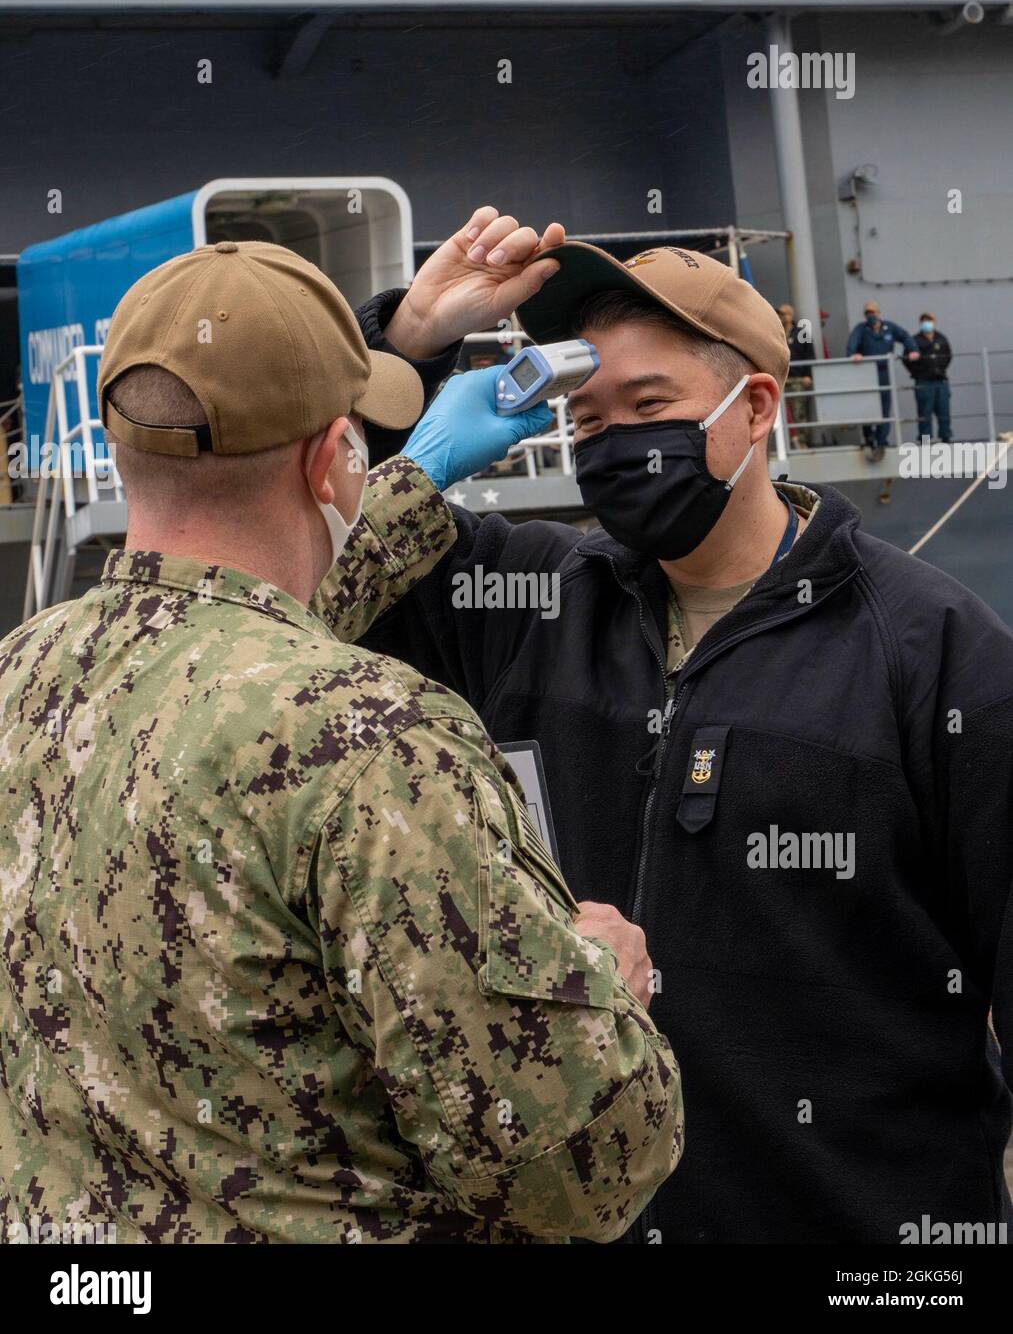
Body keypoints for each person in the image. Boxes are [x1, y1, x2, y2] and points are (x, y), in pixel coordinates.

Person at [334, 217, 1013, 1244]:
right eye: (587, 420)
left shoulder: (931, 652)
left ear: (755, 409)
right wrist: (411, 344)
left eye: (649, 406)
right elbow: (343, 552)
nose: (611, 445)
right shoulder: (530, 603)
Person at [0, 239, 684, 1244]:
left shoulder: (25, 672)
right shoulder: (379, 739)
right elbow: (576, 1171)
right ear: (331, 456)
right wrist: (599, 998)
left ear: (118, 441)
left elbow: (226, 640)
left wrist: (409, 482)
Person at [846, 299, 920, 459]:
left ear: (878, 313)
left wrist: (912, 349)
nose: (870, 316)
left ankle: (881, 441)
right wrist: (853, 354)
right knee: (867, 407)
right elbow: (852, 344)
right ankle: (869, 437)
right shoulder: (861, 329)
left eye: (872, 312)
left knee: (885, 408)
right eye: (867, 313)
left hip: (884, 373)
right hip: (867, 374)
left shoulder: (889, 328)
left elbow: (905, 336)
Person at [908, 312, 954, 442]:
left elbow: (948, 356)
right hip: (923, 382)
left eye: (929, 320)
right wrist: (920, 372)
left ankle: (946, 439)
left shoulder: (941, 338)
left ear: (934, 322)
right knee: (924, 412)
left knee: (944, 411)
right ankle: (925, 441)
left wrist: (939, 369)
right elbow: (907, 359)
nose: (927, 323)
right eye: (924, 321)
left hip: (940, 380)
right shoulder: (915, 340)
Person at [776, 302, 815, 448]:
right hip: (781, 379)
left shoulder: (801, 333)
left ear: (791, 316)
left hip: (798, 378)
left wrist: (808, 375)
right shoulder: (776, 332)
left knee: (799, 412)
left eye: (783, 314)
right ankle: (787, 444)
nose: (780, 316)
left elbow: (809, 354)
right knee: (783, 413)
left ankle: (803, 442)